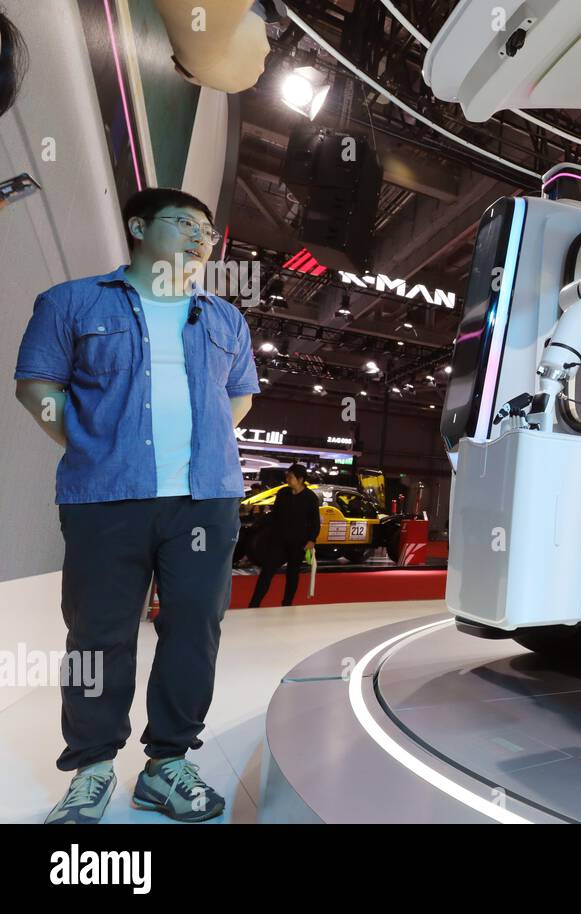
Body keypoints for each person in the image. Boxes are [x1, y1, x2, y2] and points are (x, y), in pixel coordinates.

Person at [14, 187, 260, 824]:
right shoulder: (73, 301)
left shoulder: (226, 318)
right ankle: (92, 767)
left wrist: (202, 448)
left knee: (194, 630)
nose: (200, 238)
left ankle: (167, 764)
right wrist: (92, 445)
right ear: (138, 226)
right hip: (106, 498)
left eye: (207, 231)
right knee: (98, 635)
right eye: (184, 223)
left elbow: (240, 398)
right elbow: (36, 383)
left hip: (204, 501)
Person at [248, 464, 320, 608]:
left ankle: (287, 604)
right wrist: (258, 523)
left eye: (290, 476)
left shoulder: (310, 498)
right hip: (279, 541)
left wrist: (312, 540)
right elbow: (275, 515)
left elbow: (315, 522)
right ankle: (254, 604)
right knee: (267, 571)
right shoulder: (283, 493)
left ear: (300, 479)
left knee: (292, 574)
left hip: (298, 543)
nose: (287, 479)